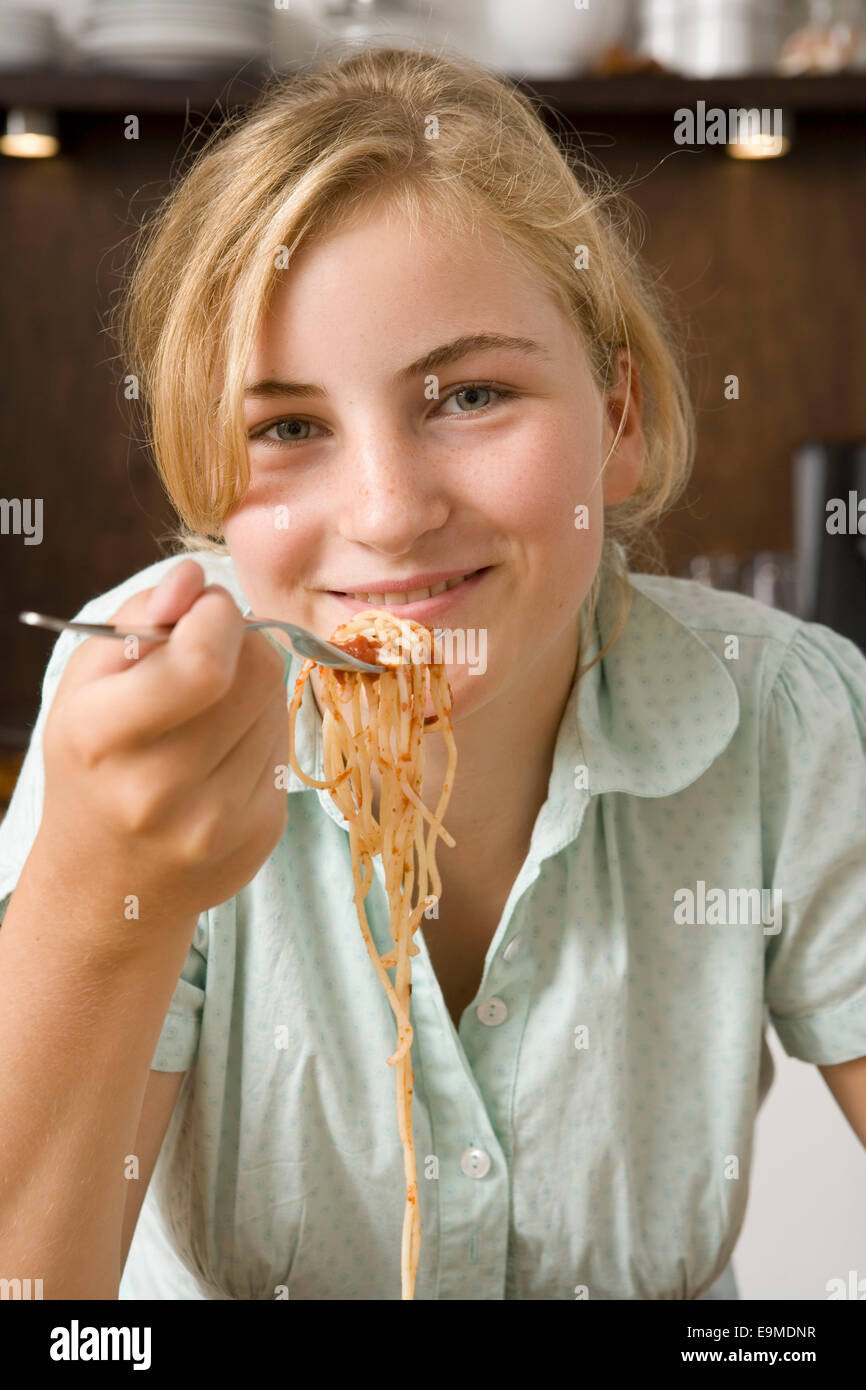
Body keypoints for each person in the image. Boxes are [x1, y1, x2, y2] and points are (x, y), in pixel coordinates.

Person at [1, 45, 864, 1302]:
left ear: (617, 421)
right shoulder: (141, 733)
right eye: (287, 427)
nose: (389, 512)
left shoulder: (784, 718)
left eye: (468, 394)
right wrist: (96, 890)